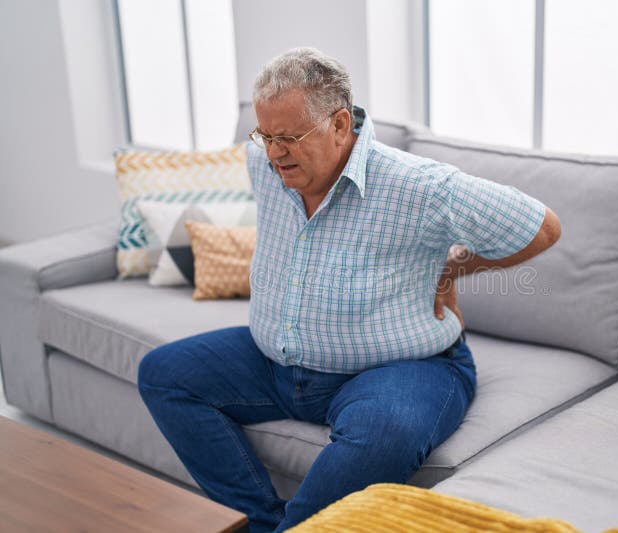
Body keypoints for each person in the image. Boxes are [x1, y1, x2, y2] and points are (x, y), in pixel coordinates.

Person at [137, 47, 561, 532]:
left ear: (340, 125)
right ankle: (260, 523)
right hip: (275, 362)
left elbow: (541, 226)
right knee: (163, 374)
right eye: (265, 135)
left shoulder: (417, 186)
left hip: (398, 369)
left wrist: (453, 269)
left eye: (289, 138)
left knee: (387, 433)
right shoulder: (264, 164)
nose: (273, 152)